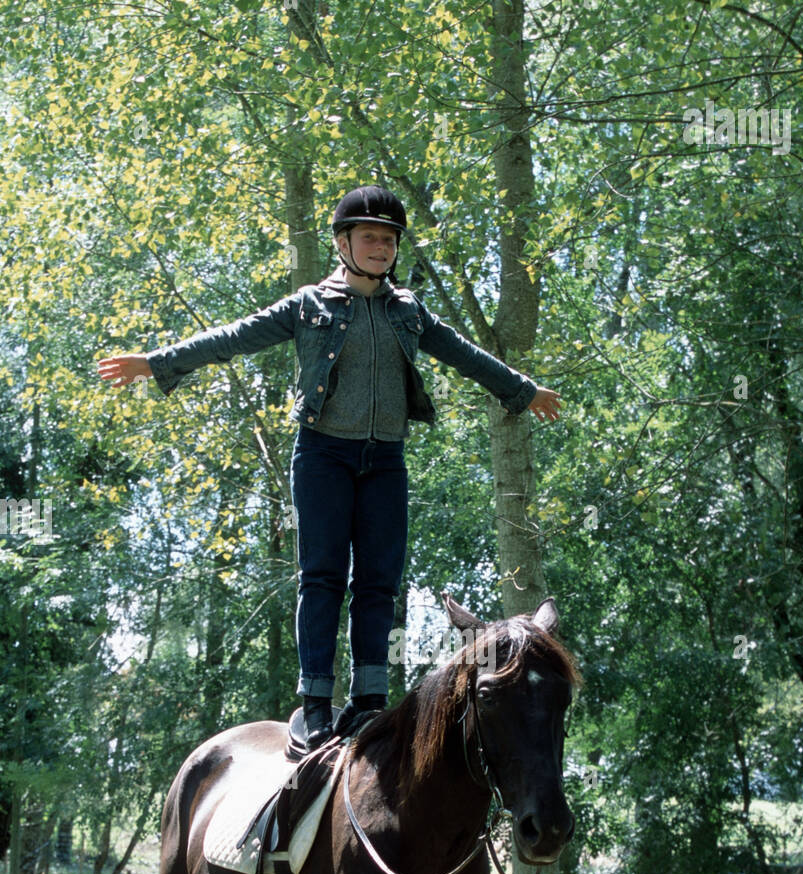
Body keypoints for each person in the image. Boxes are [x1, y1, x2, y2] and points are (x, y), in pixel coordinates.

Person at [98, 185, 562, 754]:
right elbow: (235, 337)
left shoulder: (409, 311)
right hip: (322, 455)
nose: (381, 247)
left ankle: (368, 702)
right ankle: (315, 703)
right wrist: (156, 363)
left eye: (389, 239)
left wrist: (520, 389)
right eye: (369, 236)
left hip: (385, 460)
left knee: (378, 583)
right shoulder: (309, 306)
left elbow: (465, 354)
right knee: (321, 578)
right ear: (343, 243)